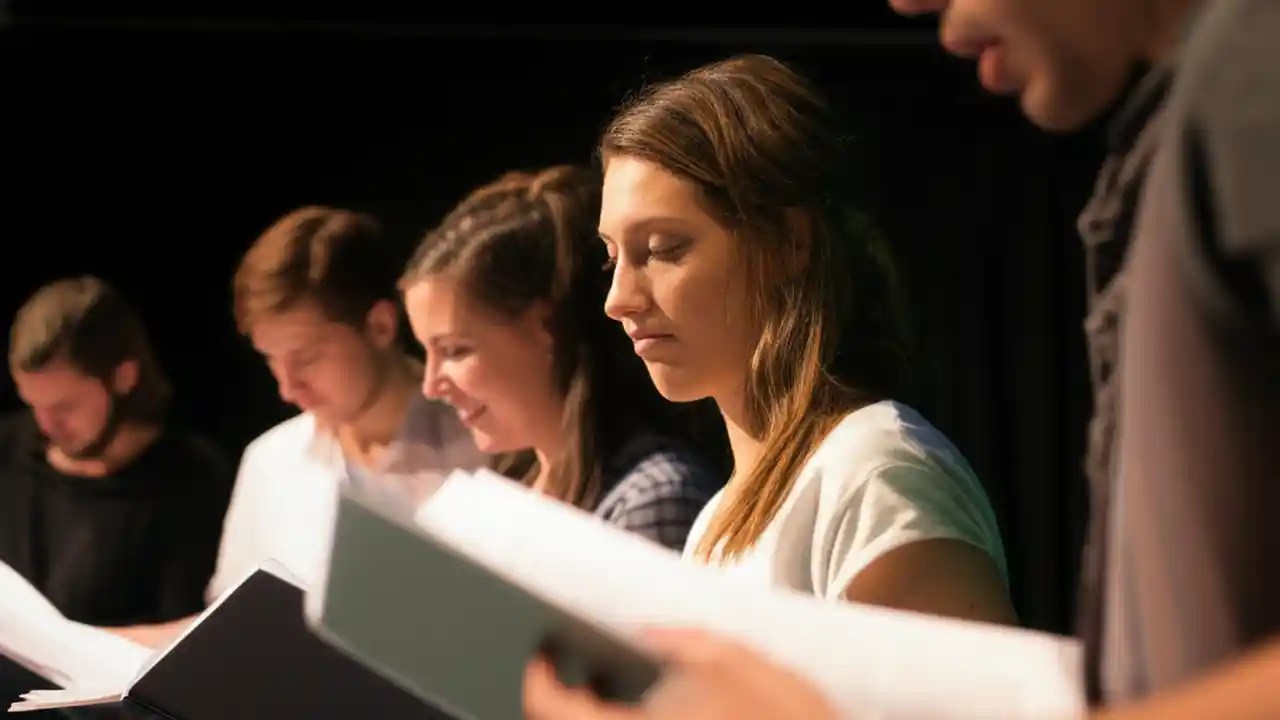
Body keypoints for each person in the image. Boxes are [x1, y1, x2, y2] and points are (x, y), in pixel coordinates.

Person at [530, 0, 1280, 715]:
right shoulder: (720, 518)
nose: (618, 299)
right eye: (612, 258)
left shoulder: (876, 470)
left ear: (789, 244)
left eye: (663, 249)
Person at [112, 206, 485, 648]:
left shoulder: (483, 449)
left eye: (304, 358)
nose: (287, 388)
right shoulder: (270, 460)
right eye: (270, 359)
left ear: (380, 325)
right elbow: (227, 631)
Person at [400, 164, 724, 550]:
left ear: (546, 328)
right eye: (427, 352)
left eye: (455, 350)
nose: (432, 385)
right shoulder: (501, 494)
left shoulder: (651, 499)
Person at [0, 276, 234, 627]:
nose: (45, 424)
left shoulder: (190, 477)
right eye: (33, 404)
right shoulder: (8, 446)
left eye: (64, 407)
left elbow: (192, 634)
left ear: (123, 377)